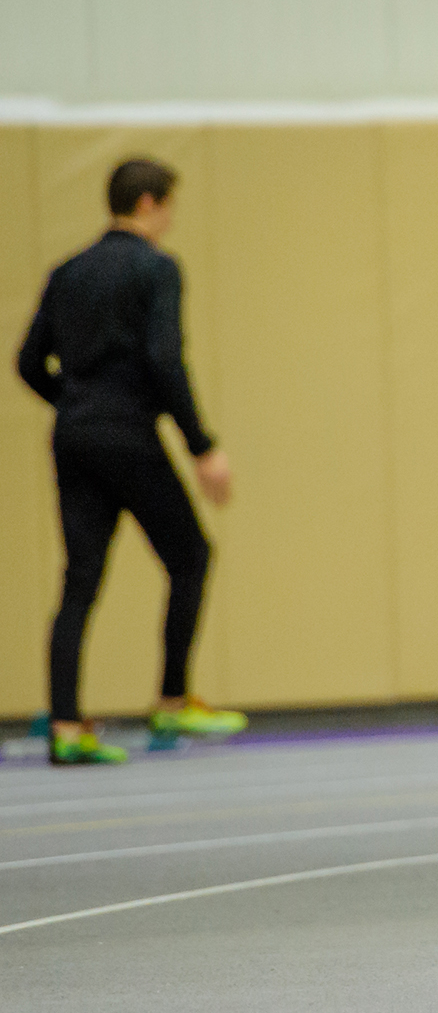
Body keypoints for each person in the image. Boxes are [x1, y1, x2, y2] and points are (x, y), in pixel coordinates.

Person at [16, 157, 247, 766]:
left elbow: (26, 362)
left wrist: (75, 404)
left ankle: (66, 726)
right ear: (147, 203)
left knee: (80, 581)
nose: (171, 218)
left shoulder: (67, 271)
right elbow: (166, 362)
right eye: (168, 206)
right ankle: (172, 700)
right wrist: (202, 446)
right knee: (190, 555)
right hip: (128, 435)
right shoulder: (157, 268)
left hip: (74, 438)